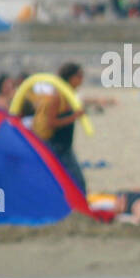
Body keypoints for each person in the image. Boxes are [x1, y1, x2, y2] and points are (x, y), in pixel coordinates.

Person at [30, 62, 88, 192]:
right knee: (77, 181)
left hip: (65, 146)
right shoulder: (57, 97)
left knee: (73, 181)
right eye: (79, 76)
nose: (81, 79)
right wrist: (73, 117)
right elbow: (51, 123)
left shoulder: (70, 95)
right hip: (56, 146)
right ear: (70, 78)